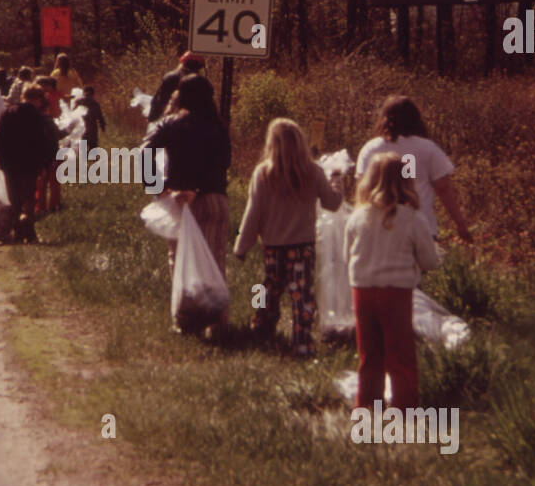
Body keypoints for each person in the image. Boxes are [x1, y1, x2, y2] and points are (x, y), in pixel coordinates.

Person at [234, 119, 342, 356]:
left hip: (272, 246)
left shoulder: (263, 173)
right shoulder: (313, 172)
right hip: (303, 246)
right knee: (301, 293)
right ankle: (302, 340)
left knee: (266, 288)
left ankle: (260, 325)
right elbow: (332, 204)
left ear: (271, 145)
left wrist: (241, 245)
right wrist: (336, 181)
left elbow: (253, 213)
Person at [345, 152, 441, 410]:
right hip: (396, 292)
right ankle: (404, 409)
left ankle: (366, 406)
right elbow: (430, 261)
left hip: (362, 290)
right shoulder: (412, 219)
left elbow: (348, 256)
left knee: (369, 355)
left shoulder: (357, 217)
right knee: (400, 355)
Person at [141, 73, 232, 335]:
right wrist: (200, 187)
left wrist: (158, 189)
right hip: (214, 198)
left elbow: (145, 151)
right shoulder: (219, 126)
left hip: (181, 201)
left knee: (179, 258)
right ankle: (217, 320)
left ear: (180, 97)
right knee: (214, 260)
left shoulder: (171, 124)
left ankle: (186, 318)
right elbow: (223, 164)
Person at [355, 95, 471, 244]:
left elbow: (362, 189)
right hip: (420, 226)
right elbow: (443, 188)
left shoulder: (371, 148)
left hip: (380, 227)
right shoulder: (428, 148)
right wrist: (460, 223)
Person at [0, 84, 59, 243]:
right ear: (37, 99)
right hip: (30, 164)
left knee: (14, 198)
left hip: (10, 163)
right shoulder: (38, 117)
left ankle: (16, 232)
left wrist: (0, 160)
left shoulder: (7, 112)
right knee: (29, 199)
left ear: (24, 96)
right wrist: (45, 164)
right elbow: (45, 142)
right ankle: (30, 233)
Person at [33, 76, 63, 214]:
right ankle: (52, 205)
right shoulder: (47, 118)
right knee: (51, 180)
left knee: (42, 181)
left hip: (43, 150)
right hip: (52, 148)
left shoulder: (37, 116)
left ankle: (41, 206)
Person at [148, 51, 205, 122]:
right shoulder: (201, 81)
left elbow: (159, 100)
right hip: (193, 122)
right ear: (199, 66)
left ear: (183, 62)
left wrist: (152, 119)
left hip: (170, 120)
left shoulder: (171, 77)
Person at [71, 84, 107, 152]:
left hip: (81, 127)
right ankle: (91, 158)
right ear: (93, 93)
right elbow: (99, 116)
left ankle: (85, 158)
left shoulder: (78, 101)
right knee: (93, 147)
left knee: (83, 149)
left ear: (83, 92)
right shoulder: (95, 103)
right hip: (92, 128)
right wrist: (102, 126)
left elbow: (73, 114)